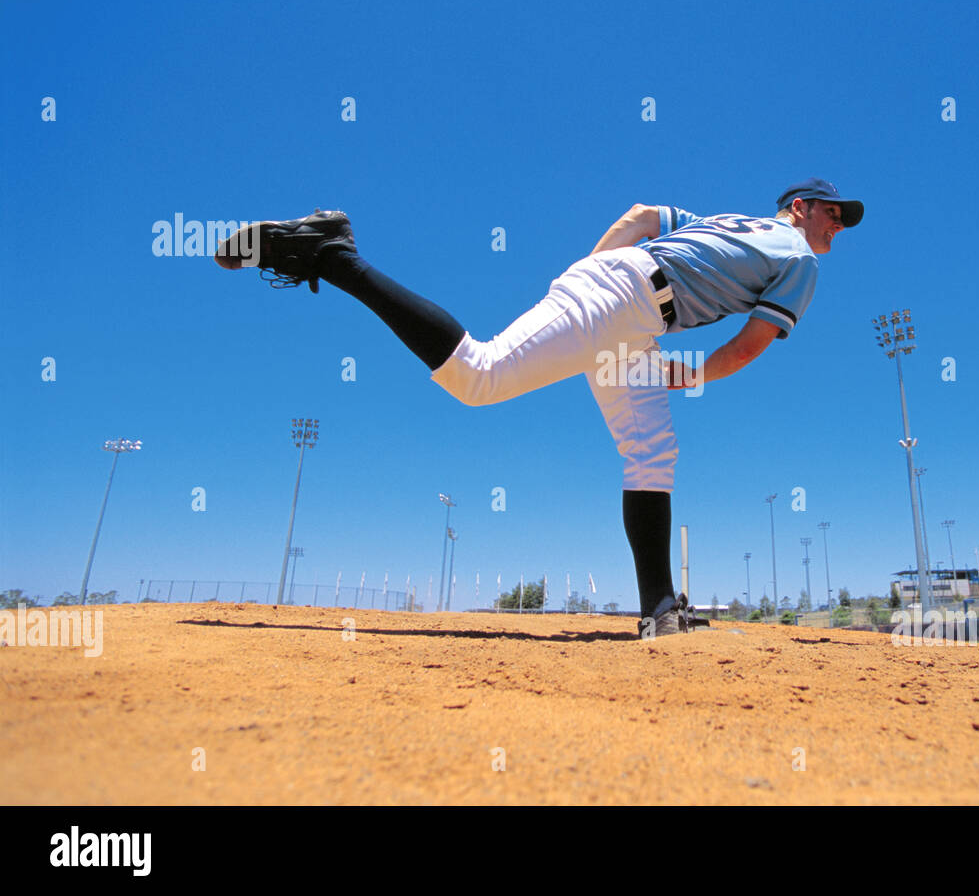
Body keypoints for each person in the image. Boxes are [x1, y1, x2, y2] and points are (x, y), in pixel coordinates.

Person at [214, 178, 862, 638]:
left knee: (654, 452)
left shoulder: (723, 221)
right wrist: (682, 369)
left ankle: (659, 606)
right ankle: (333, 253)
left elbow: (641, 213)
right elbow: (747, 349)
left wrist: (593, 272)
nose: (838, 224)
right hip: (627, 305)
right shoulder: (800, 258)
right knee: (478, 376)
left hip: (626, 304)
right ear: (799, 207)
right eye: (833, 212)